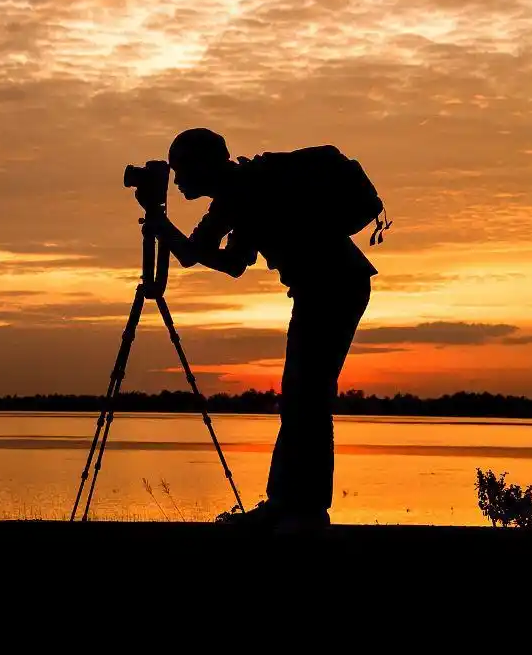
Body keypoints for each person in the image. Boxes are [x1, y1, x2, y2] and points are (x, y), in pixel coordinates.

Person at [139, 127, 377, 532]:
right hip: (322, 287)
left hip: (334, 286)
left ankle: (304, 509)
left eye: (181, 170)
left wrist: (160, 222)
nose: (177, 181)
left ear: (204, 165)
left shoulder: (245, 189)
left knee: (308, 397)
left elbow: (218, 261)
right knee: (301, 396)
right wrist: (160, 221)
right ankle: (289, 503)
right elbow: (201, 257)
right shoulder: (233, 196)